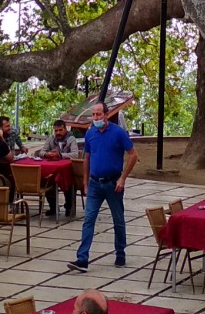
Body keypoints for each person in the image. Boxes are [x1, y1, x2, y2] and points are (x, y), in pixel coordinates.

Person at [67, 101, 137, 273]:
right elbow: (87, 158)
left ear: (106, 115)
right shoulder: (91, 133)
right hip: (95, 183)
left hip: (113, 183)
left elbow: (133, 155)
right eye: (94, 115)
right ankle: (82, 258)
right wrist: (84, 182)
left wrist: (123, 178)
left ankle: (120, 252)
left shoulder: (118, 133)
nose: (96, 117)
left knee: (118, 220)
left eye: (99, 114)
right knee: (88, 219)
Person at [40, 120, 79, 217]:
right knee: (46, 180)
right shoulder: (51, 139)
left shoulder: (71, 139)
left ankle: (69, 207)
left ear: (65, 129)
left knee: (69, 181)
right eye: (56, 131)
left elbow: (75, 154)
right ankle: (53, 207)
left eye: (60, 130)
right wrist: (47, 154)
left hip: (68, 169)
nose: (58, 133)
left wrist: (61, 155)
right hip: (53, 169)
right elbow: (41, 152)